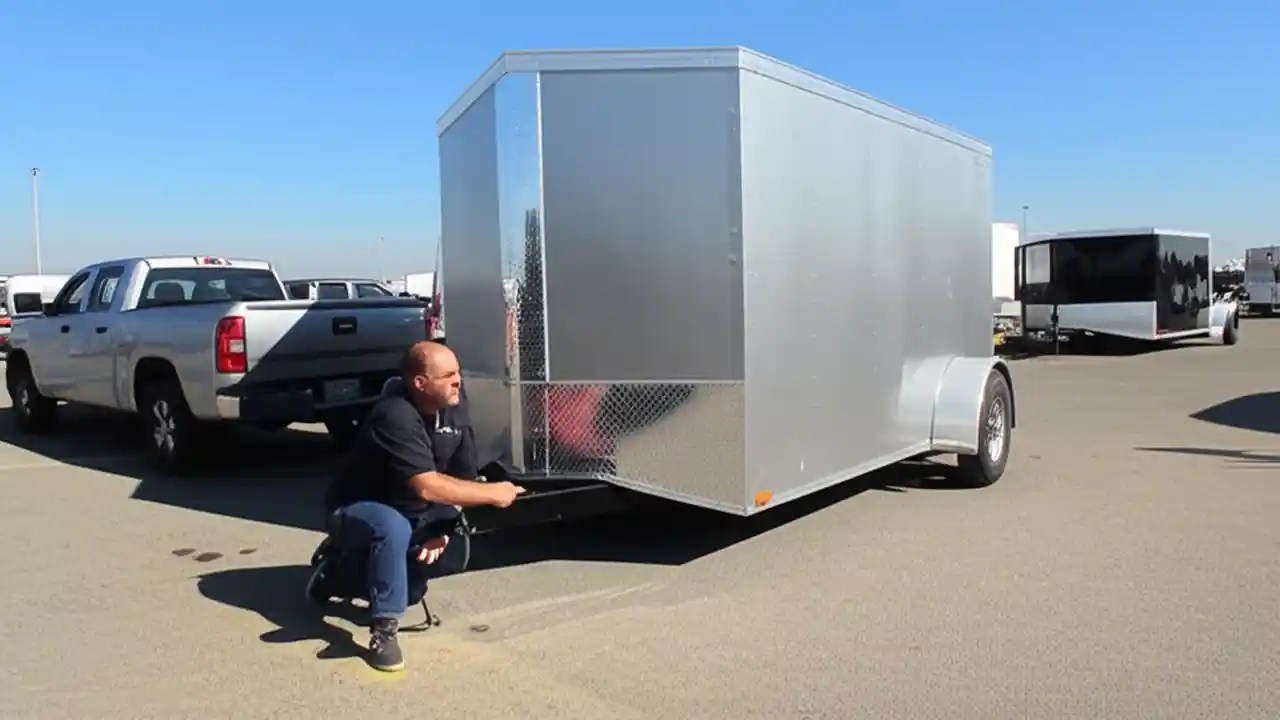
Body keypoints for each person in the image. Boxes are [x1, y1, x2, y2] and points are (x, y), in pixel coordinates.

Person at [316, 340, 525, 672]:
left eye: (458, 372)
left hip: (412, 509)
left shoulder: (455, 404)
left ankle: (335, 575)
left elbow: (462, 476)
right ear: (419, 383)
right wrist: (495, 494)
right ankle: (384, 632)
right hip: (358, 508)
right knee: (391, 529)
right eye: (448, 375)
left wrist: (442, 526)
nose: (458, 380)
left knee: (411, 591)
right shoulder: (394, 414)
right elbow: (427, 485)